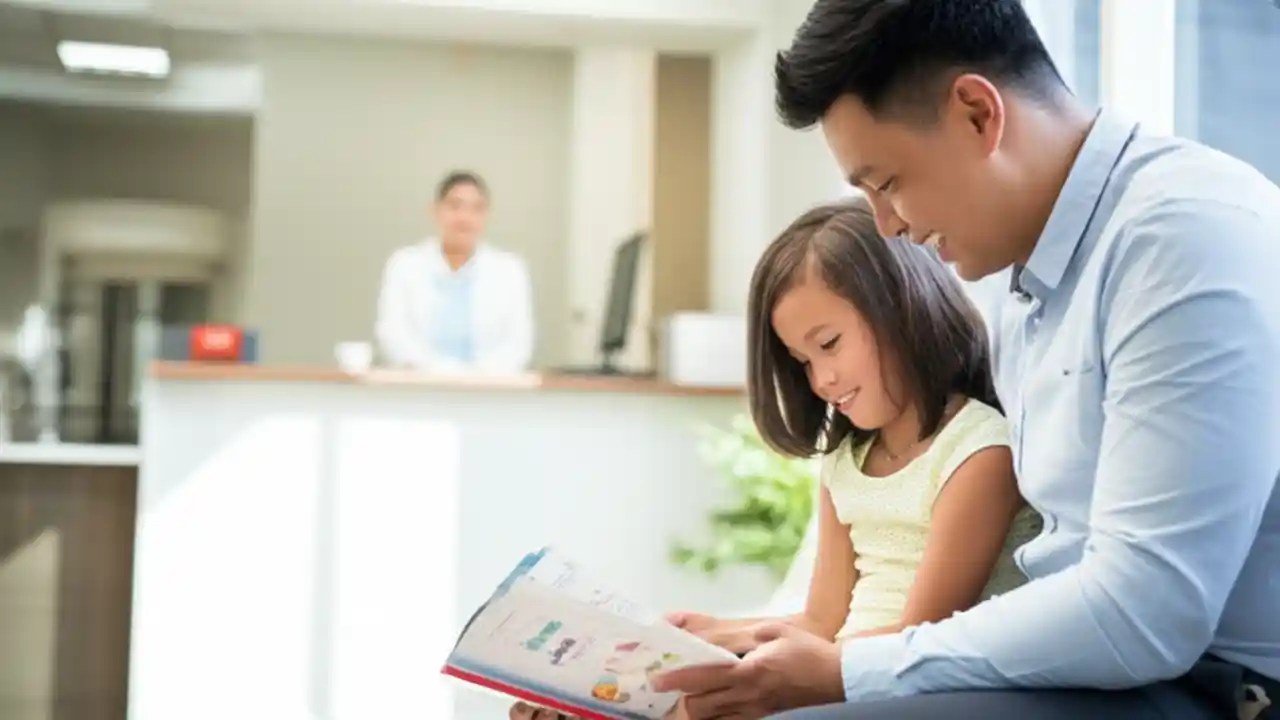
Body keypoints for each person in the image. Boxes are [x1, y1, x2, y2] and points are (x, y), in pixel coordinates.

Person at [654, 1, 1280, 718]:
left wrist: (850, 671)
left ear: (978, 114)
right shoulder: (1026, 287)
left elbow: (1143, 614)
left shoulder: (1185, 240)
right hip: (1099, 673)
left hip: (1214, 686)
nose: (888, 225)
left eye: (886, 183)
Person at [511, 198, 1041, 720]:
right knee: (681, 686)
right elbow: (819, 620)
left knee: (706, 706)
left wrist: (770, 659)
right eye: (803, 361)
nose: (821, 379)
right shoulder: (847, 462)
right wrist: (718, 633)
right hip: (846, 668)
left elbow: (920, 640)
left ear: (904, 306)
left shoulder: (977, 451)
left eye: (829, 344)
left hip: (900, 682)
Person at [375, 170, 534, 373]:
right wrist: (440, 371)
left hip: (490, 391)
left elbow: (519, 343)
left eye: (476, 209)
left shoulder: (510, 270)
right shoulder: (405, 265)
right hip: (420, 388)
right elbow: (393, 333)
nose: (464, 218)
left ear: (486, 215)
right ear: (435, 211)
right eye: (455, 206)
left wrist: (477, 376)